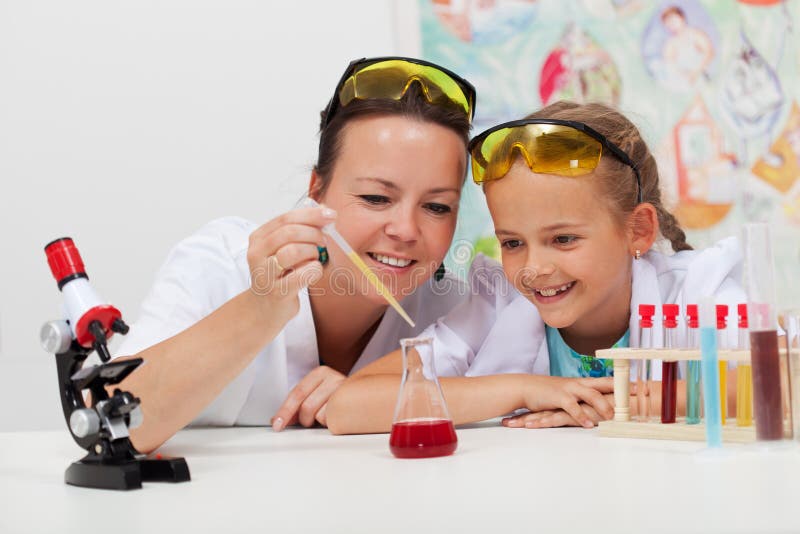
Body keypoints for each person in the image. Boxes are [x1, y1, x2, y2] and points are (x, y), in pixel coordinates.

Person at [113, 57, 483, 454]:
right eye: (376, 198)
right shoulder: (220, 265)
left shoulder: (454, 311)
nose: (406, 230)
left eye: (438, 207)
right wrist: (260, 308)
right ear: (317, 190)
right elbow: (112, 419)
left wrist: (364, 397)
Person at [326, 101, 744, 435]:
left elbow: (773, 383)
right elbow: (349, 406)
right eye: (512, 243)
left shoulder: (697, 289)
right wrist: (525, 389)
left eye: (563, 239)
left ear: (638, 230)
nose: (534, 268)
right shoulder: (496, 303)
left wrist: (608, 404)